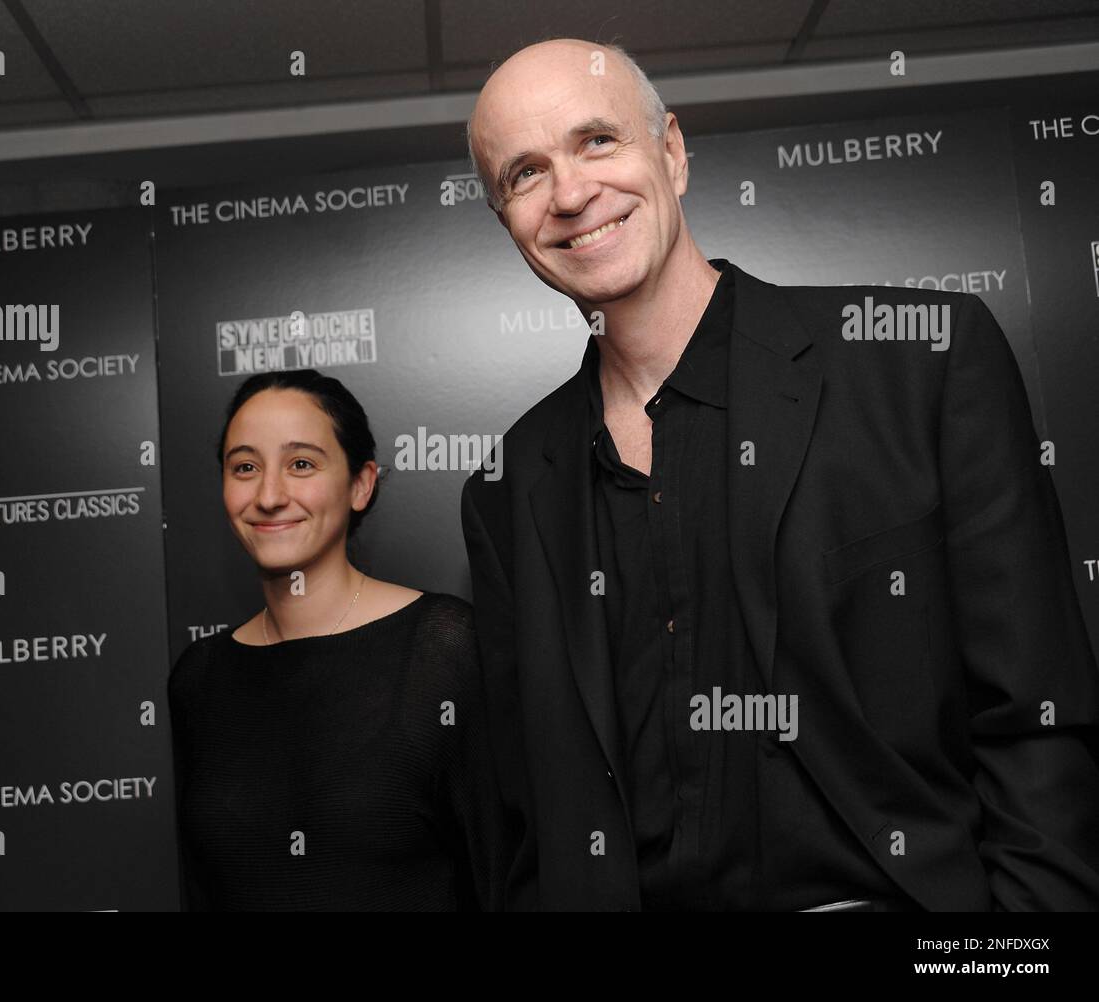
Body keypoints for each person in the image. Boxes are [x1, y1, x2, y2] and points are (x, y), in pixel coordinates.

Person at [460, 38, 1099, 911]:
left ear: (673, 153)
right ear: (507, 221)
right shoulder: (505, 491)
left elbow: (1038, 725)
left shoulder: (920, 364)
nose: (572, 193)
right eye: (525, 173)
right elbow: (529, 816)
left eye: (597, 141)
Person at [168, 368, 506, 910]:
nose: (270, 495)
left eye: (301, 464)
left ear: (360, 484)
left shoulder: (443, 650)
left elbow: (502, 877)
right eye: (245, 467)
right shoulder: (199, 678)